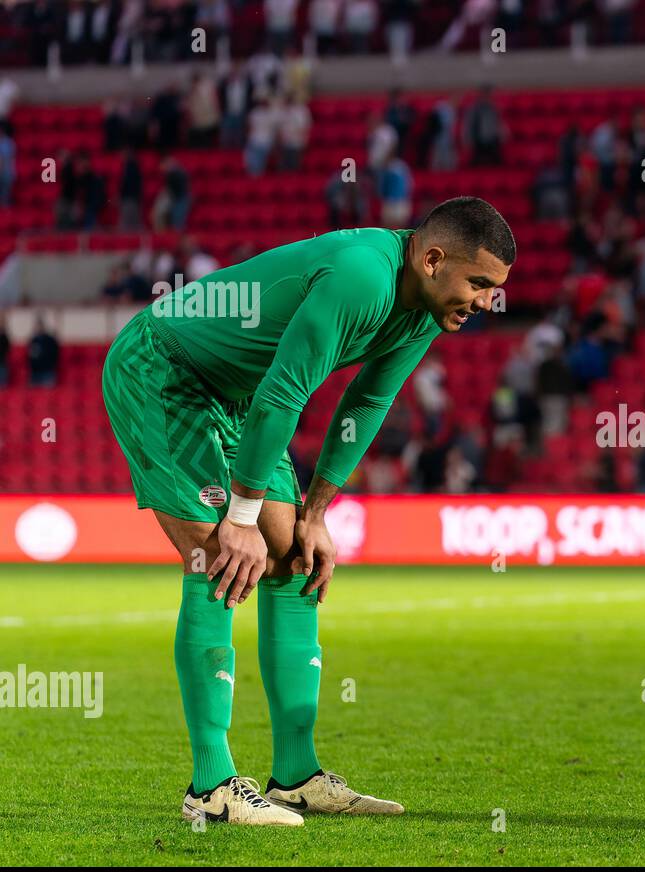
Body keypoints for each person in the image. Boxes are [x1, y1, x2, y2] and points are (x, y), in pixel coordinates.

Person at [100, 197, 515, 825]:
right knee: (218, 559)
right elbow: (285, 391)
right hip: (165, 370)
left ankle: (295, 774)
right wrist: (239, 520)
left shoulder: (428, 308)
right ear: (432, 259)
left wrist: (316, 510)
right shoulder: (361, 276)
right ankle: (210, 785)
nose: (487, 301)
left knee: (294, 558)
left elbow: (368, 400)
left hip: (239, 396)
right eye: (479, 283)